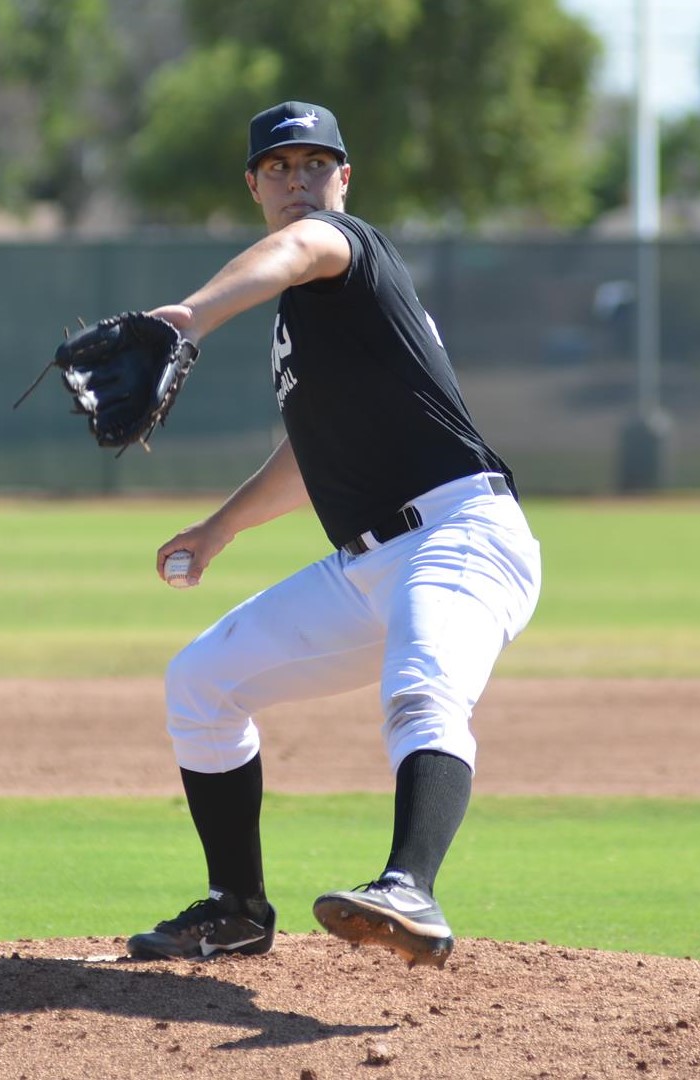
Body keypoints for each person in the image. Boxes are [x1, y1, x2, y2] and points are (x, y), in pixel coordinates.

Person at [124, 101, 542, 969]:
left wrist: (186, 318)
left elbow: (298, 248)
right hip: (365, 567)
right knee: (201, 680)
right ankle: (236, 909)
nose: (298, 180)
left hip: (462, 532)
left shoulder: (347, 251)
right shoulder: (307, 320)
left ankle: (410, 889)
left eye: (316, 163)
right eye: (278, 167)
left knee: (423, 691)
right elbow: (305, 456)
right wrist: (218, 529)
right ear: (252, 184)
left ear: (344, 180)